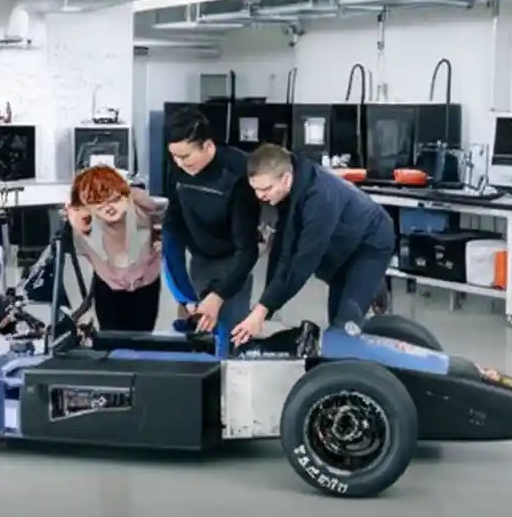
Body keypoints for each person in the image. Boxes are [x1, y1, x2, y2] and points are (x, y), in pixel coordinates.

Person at [231, 143, 396, 347]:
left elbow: (303, 260)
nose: (260, 196)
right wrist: (265, 306)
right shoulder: (287, 189)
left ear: (286, 177)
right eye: (255, 189)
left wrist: (263, 309)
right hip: (340, 243)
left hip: (370, 243)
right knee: (335, 314)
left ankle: (369, 281)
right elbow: (284, 248)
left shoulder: (319, 197)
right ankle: (369, 285)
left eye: (266, 189)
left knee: (344, 326)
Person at [160, 107, 262, 335]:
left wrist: (218, 296)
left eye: (185, 156)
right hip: (199, 259)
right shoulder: (178, 169)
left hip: (233, 262)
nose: (179, 163)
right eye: (174, 156)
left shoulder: (238, 173)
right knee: (196, 334)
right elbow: (172, 229)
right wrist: (184, 296)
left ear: (207, 146)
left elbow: (247, 249)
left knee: (229, 334)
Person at [64, 165, 164, 332]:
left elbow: (162, 210)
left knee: (143, 338)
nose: (109, 207)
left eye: (114, 200)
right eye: (99, 204)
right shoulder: (82, 218)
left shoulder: (140, 203)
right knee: (110, 338)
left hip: (145, 282)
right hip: (108, 283)